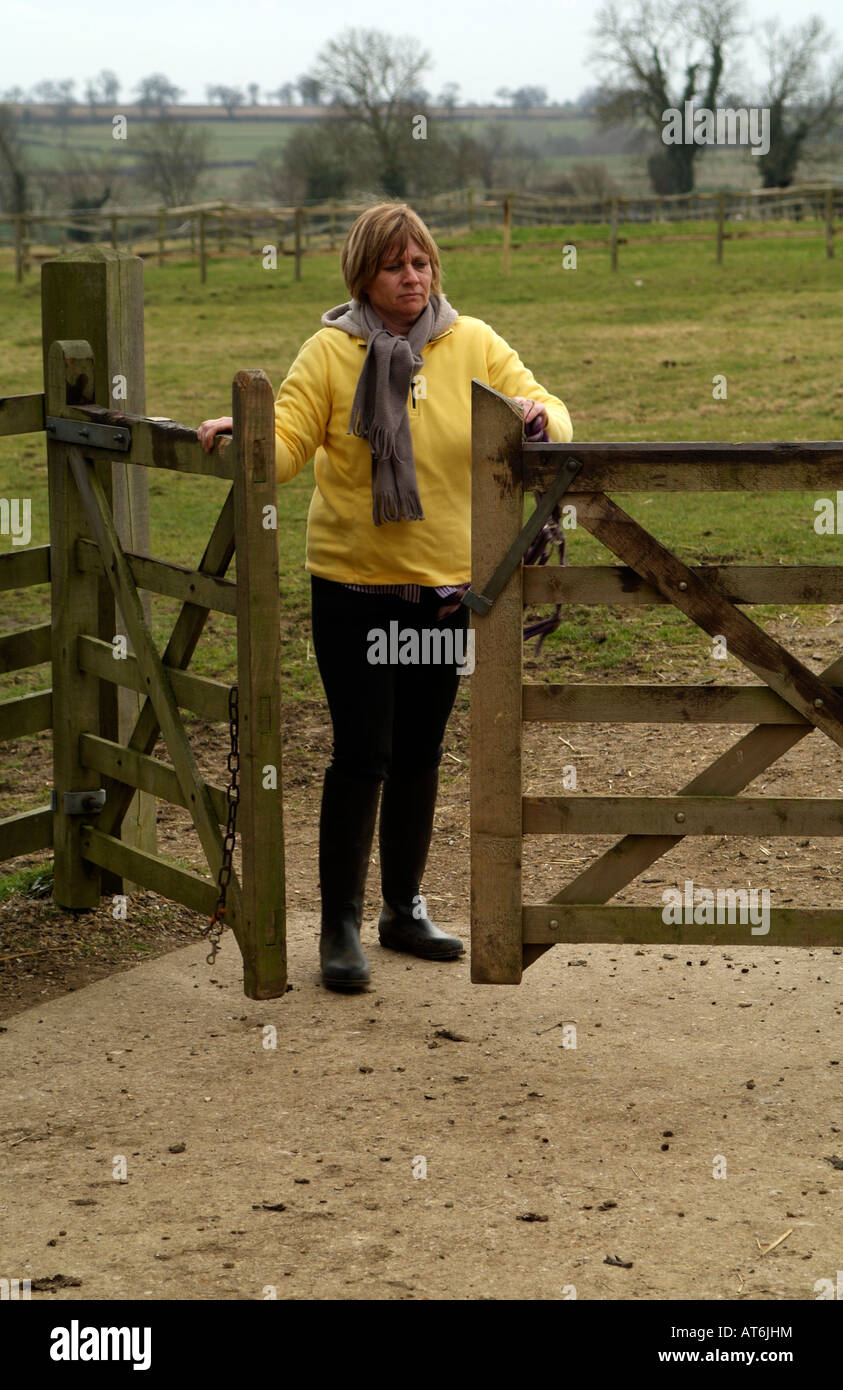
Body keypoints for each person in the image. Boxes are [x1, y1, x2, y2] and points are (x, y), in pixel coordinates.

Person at [198, 201, 573, 992]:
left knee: (419, 752)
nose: (414, 276)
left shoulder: (469, 341)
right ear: (364, 274)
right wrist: (246, 433)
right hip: (353, 586)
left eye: (423, 262)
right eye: (397, 264)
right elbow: (292, 440)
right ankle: (338, 923)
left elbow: (551, 409)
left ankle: (402, 910)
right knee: (361, 751)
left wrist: (540, 416)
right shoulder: (331, 351)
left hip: (444, 591)